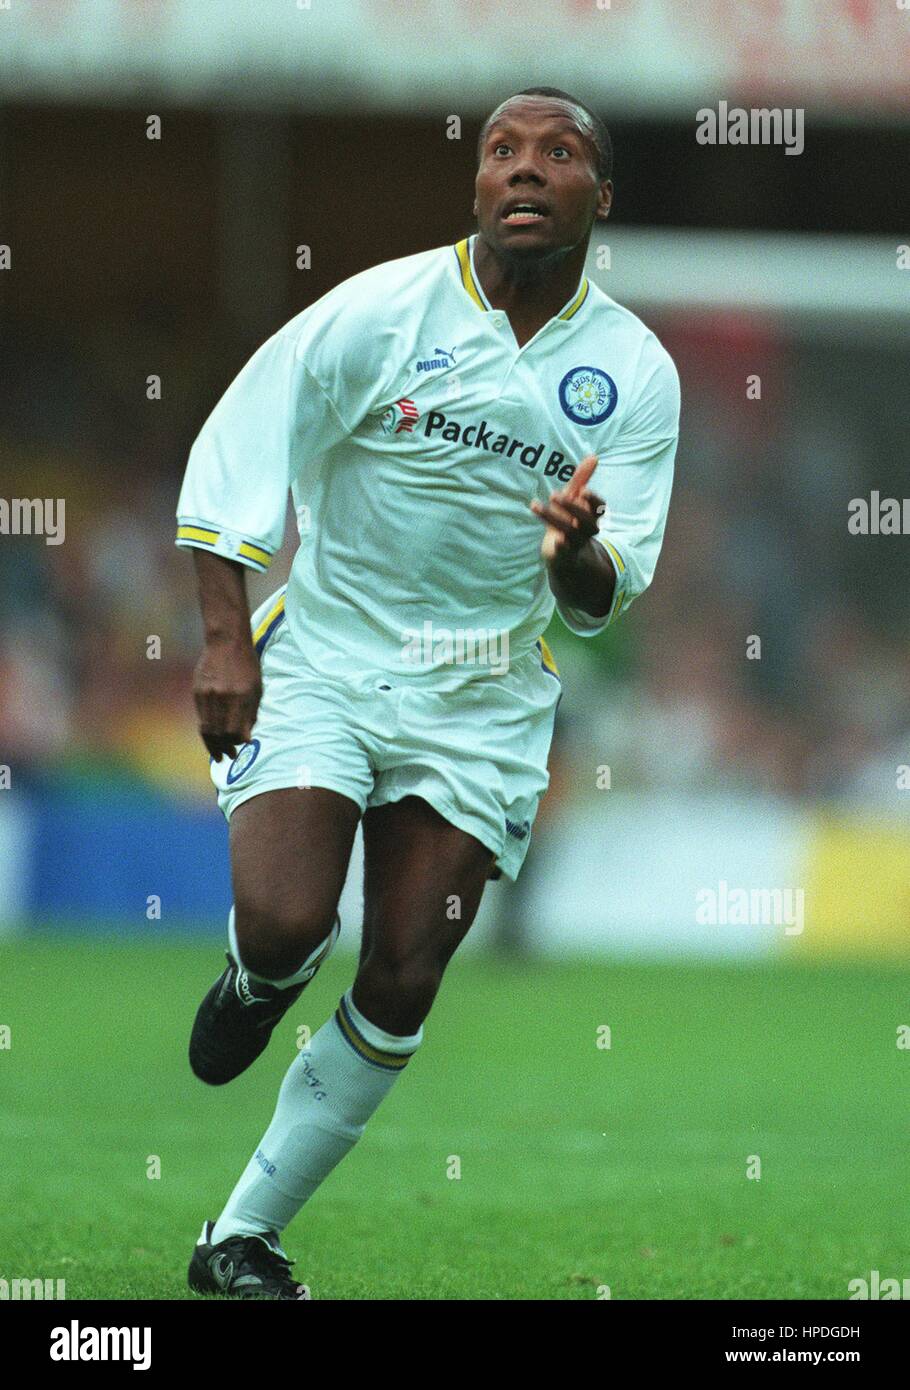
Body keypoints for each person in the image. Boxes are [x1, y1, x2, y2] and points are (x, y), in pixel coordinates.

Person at [175, 86, 680, 1299]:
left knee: (403, 971)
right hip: (331, 661)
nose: (522, 170)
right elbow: (237, 445)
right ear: (474, 185)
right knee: (293, 920)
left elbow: (611, 589)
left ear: (598, 198)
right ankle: (261, 976)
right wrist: (222, 638)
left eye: (557, 155)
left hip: (485, 696)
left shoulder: (634, 373)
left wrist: (573, 556)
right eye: (500, 150)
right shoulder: (380, 310)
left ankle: (237, 1238)